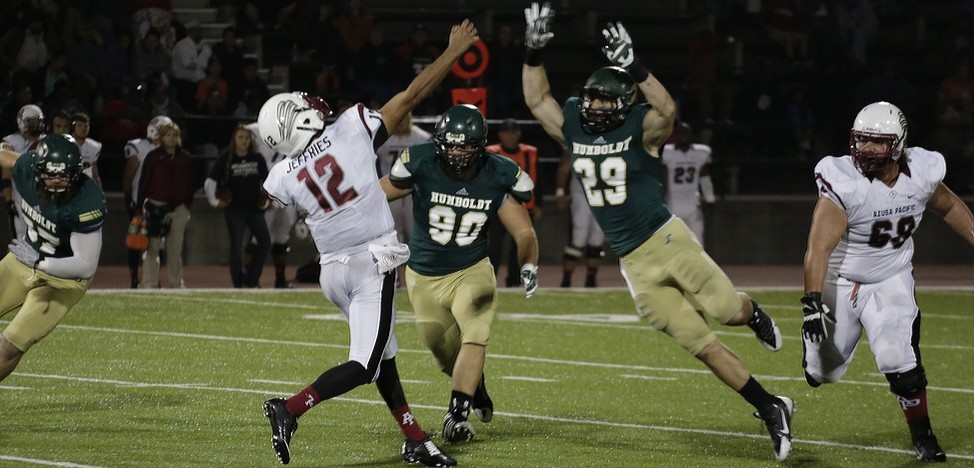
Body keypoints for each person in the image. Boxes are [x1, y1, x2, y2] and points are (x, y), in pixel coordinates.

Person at [521, 4, 793, 461]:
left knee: (726, 311)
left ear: (624, 104)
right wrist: (532, 51)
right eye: (591, 98)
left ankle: (752, 312)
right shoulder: (573, 126)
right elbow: (537, 99)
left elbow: (667, 108)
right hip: (633, 263)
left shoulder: (641, 126)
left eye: (605, 100)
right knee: (701, 345)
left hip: (667, 240)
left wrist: (635, 65)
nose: (595, 106)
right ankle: (771, 406)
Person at [257, 18, 478, 467]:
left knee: (384, 354)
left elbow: (269, 198)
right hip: (371, 262)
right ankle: (290, 407)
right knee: (366, 363)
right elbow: (411, 96)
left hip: (332, 272)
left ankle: (415, 438)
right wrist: (453, 53)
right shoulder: (350, 127)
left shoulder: (281, 173)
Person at [800, 101, 974, 463]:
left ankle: (923, 436)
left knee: (898, 357)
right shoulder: (845, 182)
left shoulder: (920, 172)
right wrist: (812, 301)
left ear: (898, 145)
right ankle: (815, 356)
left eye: (877, 142)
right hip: (840, 279)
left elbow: (948, 206)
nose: (866, 149)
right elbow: (818, 247)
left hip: (891, 276)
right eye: (861, 140)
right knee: (822, 373)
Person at [379, 104, 539, 444]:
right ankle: (475, 385)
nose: (455, 152)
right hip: (423, 275)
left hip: (471, 269)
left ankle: (457, 415)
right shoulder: (421, 163)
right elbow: (374, 196)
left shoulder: (497, 173)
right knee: (442, 350)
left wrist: (528, 264)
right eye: (450, 144)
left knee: (476, 331)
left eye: (464, 146)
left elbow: (524, 232)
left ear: (480, 146)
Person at [0, 134, 105, 381]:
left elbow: (85, 265)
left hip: (63, 280)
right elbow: (6, 158)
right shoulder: (26, 169)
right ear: (37, 170)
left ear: (76, 173)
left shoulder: (87, 200)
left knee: (11, 343)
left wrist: (39, 263)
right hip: (25, 258)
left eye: (63, 175)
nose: (56, 181)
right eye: (49, 174)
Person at [204, 125, 270, 288]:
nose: (244, 141)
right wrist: (214, 201)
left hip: (254, 209)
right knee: (236, 246)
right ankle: (238, 282)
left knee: (265, 242)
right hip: (234, 210)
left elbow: (268, 182)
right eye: (240, 137)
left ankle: (252, 279)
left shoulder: (257, 158)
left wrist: (270, 200)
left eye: (247, 138)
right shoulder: (227, 158)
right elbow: (210, 181)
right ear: (234, 139)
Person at [136, 122, 193, 289]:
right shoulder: (153, 157)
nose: (172, 138)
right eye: (168, 135)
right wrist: (139, 208)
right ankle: (149, 282)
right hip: (156, 205)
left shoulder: (185, 157)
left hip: (179, 207)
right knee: (152, 247)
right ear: (161, 138)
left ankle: (176, 283)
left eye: (174, 135)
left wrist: (187, 205)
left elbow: (191, 182)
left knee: (175, 248)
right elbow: (144, 181)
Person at [485, 118, 541, 287]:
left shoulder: (529, 152)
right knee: (494, 246)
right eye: (507, 132)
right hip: (499, 207)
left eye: (514, 132)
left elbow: (538, 179)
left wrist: (539, 204)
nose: (511, 136)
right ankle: (490, 281)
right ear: (501, 135)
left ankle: (515, 282)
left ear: (519, 134)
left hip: (523, 206)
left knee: (520, 245)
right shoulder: (492, 152)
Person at [122, 115, 172, 288]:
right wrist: (130, 201)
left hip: (162, 202)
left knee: (159, 243)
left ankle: (153, 277)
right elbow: (128, 177)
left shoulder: (171, 150)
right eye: (165, 131)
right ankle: (134, 279)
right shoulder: (139, 147)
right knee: (135, 242)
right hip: (140, 202)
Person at [245, 122, 296, 289]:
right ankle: (250, 278)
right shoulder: (254, 130)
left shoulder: (296, 130)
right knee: (259, 235)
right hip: (265, 188)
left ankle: (280, 279)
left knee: (282, 234)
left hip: (288, 189)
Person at [375, 112, 430, 247]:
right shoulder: (383, 138)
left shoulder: (421, 137)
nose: (401, 122)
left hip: (414, 188)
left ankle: (416, 254)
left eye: (404, 118)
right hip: (391, 186)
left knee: (413, 225)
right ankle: (394, 257)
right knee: (393, 228)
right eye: (399, 118)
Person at [554, 145, 605, 288]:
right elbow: (564, 166)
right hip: (581, 193)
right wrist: (560, 192)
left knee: (597, 240)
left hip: (604, 194)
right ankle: (566, 280)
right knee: (578, 239)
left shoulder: (613, 139)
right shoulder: (577, 138)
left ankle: (591, 280)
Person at [661, 122, 716, 246]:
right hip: (673, 204)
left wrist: (710, 199)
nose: (683, 136)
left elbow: (705, 177)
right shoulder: (667, 152)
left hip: (693, 204)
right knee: (671, 243)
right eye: (680, 133)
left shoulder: (700, 153)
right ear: (675, 135)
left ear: (691, 134)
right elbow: (664, 179)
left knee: (697, 242)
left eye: (685, 133)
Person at [2, 104, 45, 240]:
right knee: (20, 239)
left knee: (41, 239)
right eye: (32, 122)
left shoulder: (46, 141)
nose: (37, 126)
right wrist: (9, 200)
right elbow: (6, 175)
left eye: (38, 122)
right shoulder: (11, 142)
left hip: (41, 198)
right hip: (19, 197)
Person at [70, 112, 102, 187]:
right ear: (73, 127)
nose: (83, 129)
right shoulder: (66, 144)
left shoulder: (94, 146)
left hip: (86, 186)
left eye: (86, 126)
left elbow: (94, 171)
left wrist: (99, 190)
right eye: (79, 126)